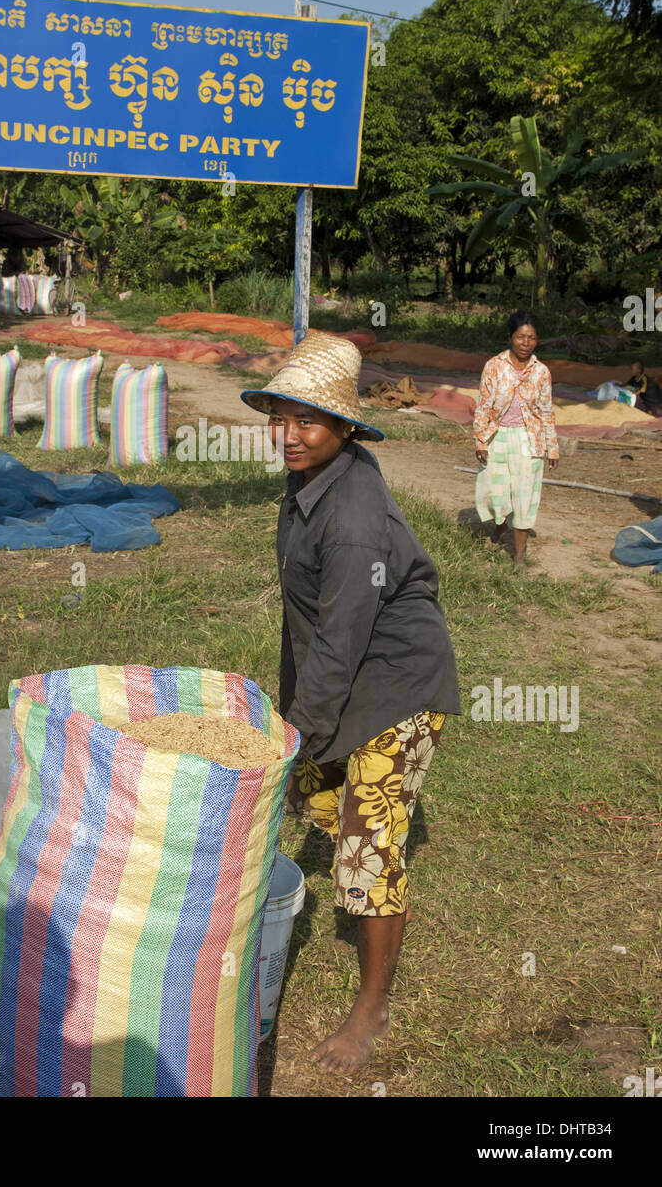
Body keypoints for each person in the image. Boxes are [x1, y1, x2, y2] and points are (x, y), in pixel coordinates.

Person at [240, 332, 460, 1075]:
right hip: (347, 667)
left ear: (344, 428)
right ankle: (362, 883)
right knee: (323, 803)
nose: (290, 434)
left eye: (308, 421)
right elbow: (302, 622)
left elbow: (340, 637)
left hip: (396, 683)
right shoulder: (306, 485)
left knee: (368, 846)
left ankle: (370, 1009)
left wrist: (301, 732)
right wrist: (290, 715)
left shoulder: (355, 515)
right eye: (282, 416)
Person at [473, 311, 559, 568]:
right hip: (497, 436)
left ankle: (519, 556)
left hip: (528, 439)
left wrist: (552, 447)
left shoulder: (541, 372)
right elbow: (483, 405)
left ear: (537, 341)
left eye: (531, 338)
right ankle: (500, 527)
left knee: (525, 495)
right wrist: (480, 440)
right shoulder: (494, 366)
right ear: (510, 337)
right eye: (521, 337)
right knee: (495, 492)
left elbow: (546, 411)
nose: (525, 343)